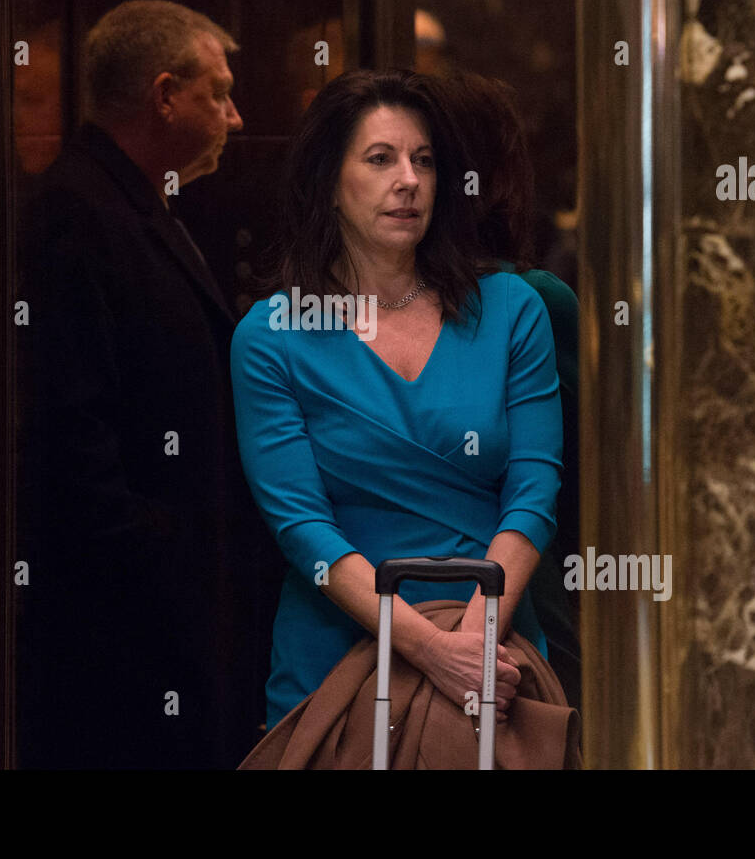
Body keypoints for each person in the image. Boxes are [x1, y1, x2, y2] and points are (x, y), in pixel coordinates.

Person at [231, 68, 564, 732]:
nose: (408, 180)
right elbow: (301, 526)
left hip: (496, 656)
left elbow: (535, 487)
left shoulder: (511, 310)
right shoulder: (272, 335)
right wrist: (433, 651)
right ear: (328, 182)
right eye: (380, 159)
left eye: (425, 161)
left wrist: (475, 637)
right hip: (335, 660)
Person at [19, 0, 280, 768]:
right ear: (164, 94)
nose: (235, 119)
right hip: (119, 631)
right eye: (218, 94)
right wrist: (166, 564)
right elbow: (70, 429)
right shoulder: (78, 210)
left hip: (170, 612)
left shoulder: (143, 205)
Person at [418, 69, 583, 710]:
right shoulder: (343, 315)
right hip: (400, 613)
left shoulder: (524, 302)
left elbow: (552, 484)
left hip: (515, 608)